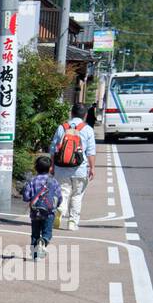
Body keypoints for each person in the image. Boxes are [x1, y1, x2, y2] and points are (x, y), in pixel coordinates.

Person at [49, 102, 96, 231]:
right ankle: (72, 223)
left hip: (61, 168)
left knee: (63, 192)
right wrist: (92, 168)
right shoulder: (88, 129)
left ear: (71, 113)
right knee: (77, 195)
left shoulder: (62, 127)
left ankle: (59, 210)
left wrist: (52, 166)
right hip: (80, 169)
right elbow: (91, 152)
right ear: (85, 115)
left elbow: (53, 148)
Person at [21, 155, 62, 260]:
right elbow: (59, 197)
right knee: (47, 232)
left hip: (35, 212)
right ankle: (44, 240)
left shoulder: (32, 181)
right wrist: (56, 206)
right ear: (50, 168)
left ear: (36, 168)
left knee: (35, 234)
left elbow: (26, 196)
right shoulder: (53, 181)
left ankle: (35, 256)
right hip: (49, 212)